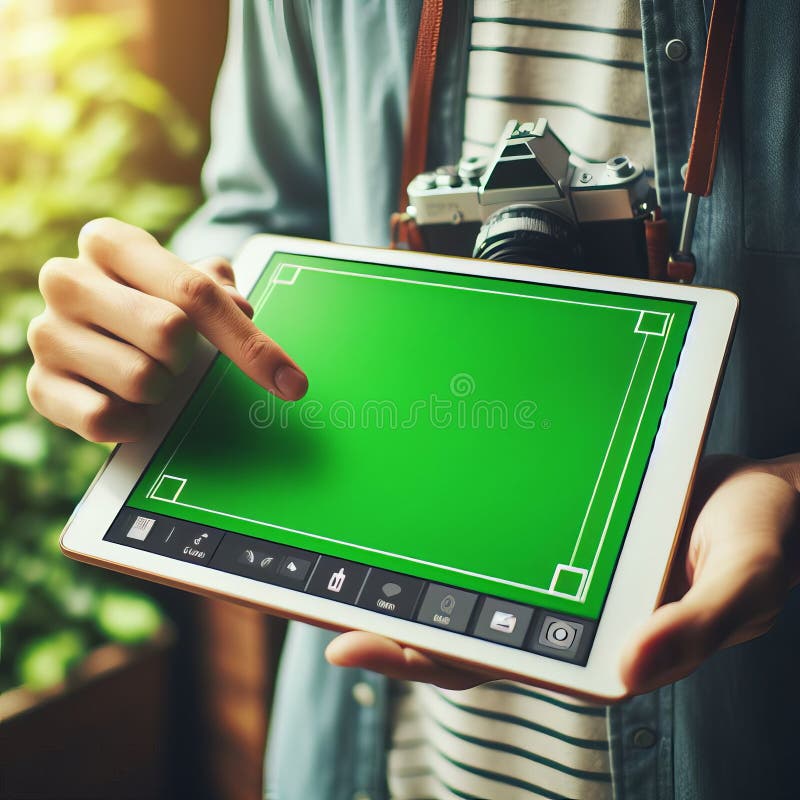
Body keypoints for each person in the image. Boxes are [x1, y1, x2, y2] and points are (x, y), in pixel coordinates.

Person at [26, 1, 800, 798]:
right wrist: (149, 323)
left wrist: (790, 487)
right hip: (382, 752)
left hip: (732, 742)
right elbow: (263, 223)